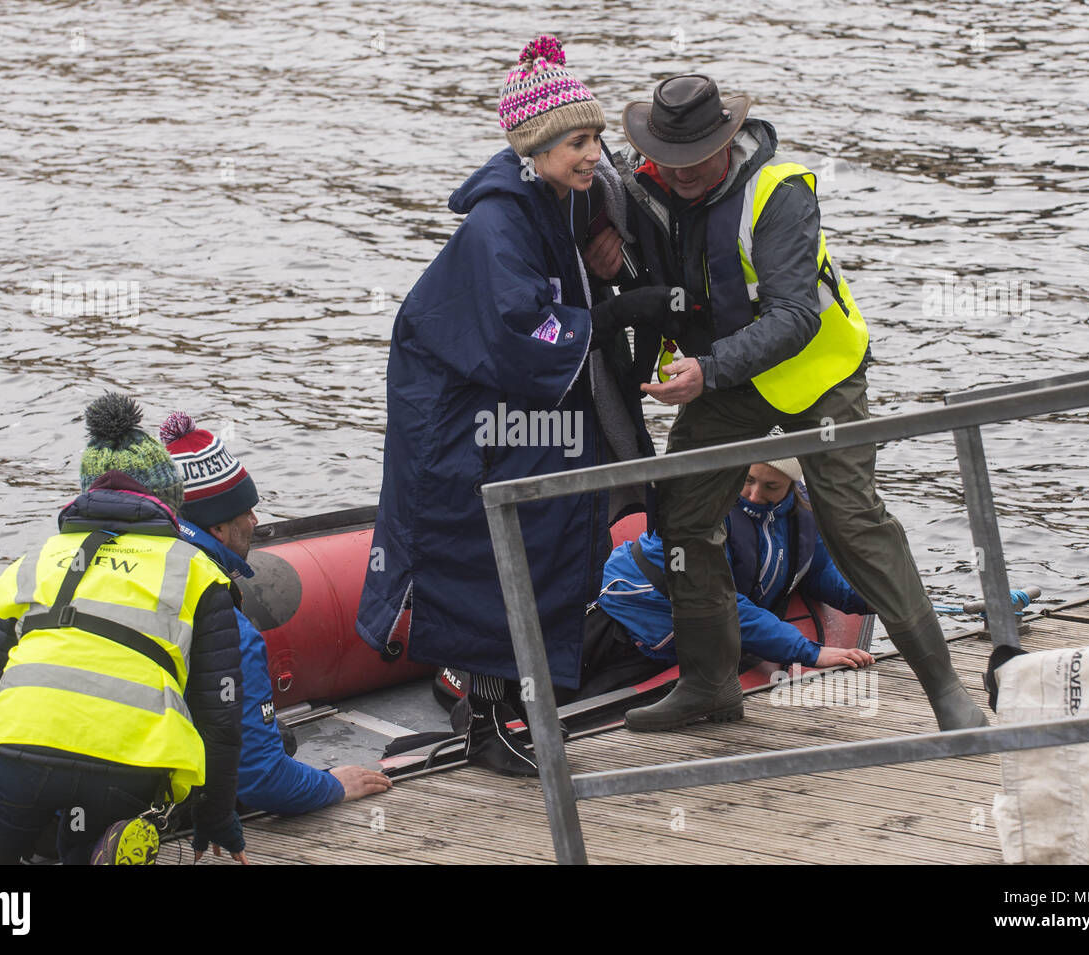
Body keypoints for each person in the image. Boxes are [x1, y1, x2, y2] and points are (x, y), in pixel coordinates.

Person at [589, 74, 987, 732]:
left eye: (696, 159)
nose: (682, 173)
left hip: (817, 372)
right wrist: (602, 244)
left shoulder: (781, 191)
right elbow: (591, 199)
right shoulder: (640, 184)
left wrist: (708, 371)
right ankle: (710, 684)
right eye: (670, 159)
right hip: (730, 383)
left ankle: (945, 689)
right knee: (683, 515)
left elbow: (796, 315)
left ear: (725, 141)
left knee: (853, 522)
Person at [355, 35, 680, 776]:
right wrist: (611, 316)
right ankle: (485, 722)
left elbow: (612, 185)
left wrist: (607, 243)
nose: (594, 155)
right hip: (466, 418)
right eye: (578, 142)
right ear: (536, 147)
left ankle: (508, 713)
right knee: (497, 560)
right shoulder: (497, 225)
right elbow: (517, 328)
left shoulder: (554, 197)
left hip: (520, 408)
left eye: (596, 137)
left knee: (549, 545)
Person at [0, 394, 247, 865]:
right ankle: (99, 850)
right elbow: (220, 716)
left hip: (14, 747)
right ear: (170, 502)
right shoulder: (197, 573)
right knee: (93, 837)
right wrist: (216, 818)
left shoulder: (33, 563)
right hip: (128, 761)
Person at [160, 412, 391, 821]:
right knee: (273, 746)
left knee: (278, 737)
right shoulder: (226, 628)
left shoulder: (110, 575)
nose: (255, 521)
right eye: (246, 512)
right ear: (218, 529)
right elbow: (262, 778)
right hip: (143, 798)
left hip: (51, 777)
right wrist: (334, 785)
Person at [598, 459, 875, 673]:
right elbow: (719, 602)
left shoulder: (803, 511)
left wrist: (877, 598)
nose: (754, 495)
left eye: (771, 486)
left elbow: (818, 570)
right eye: (748, 479)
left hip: (706, 621)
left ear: (791, 485)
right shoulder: (699, 513)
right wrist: (809, 652)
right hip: (630, 620)